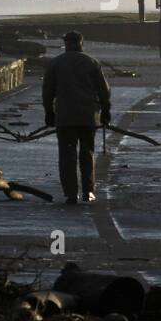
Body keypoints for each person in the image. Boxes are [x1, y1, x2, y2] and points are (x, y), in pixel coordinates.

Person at [42, 31, 112, 205]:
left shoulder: (56, 63)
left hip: (65, 117)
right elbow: (104, 91)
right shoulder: (91, 62)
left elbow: (47, 92)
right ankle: (88, 191)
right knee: (87, 154)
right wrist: (105, 111)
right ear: (81, 42)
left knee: (67, 156)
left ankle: (71, 194)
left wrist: (49, 113)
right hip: (87, 117)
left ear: (65, 43)